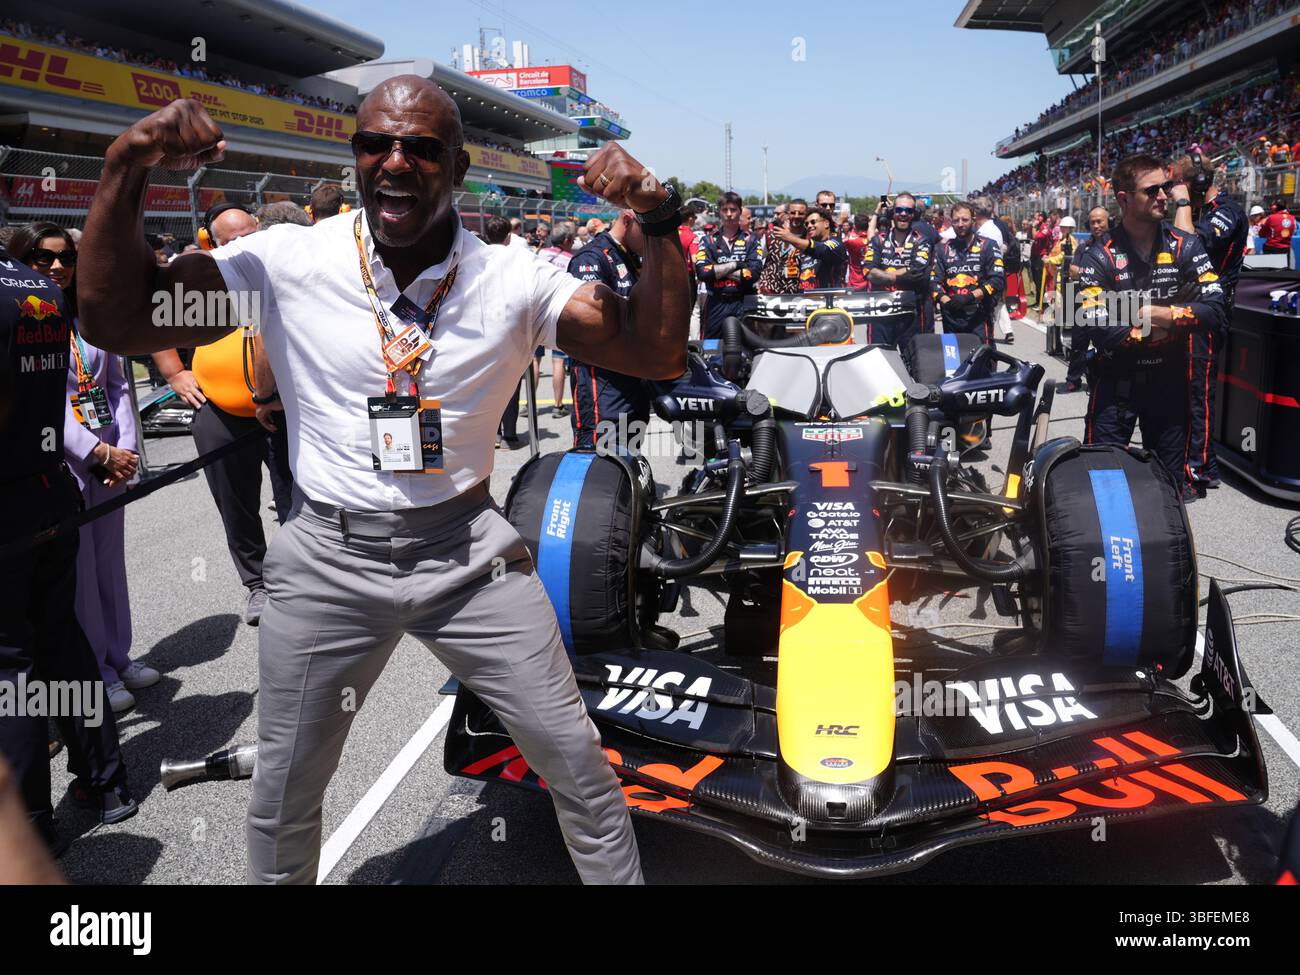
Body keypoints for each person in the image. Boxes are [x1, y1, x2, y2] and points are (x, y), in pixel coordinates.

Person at [78, 82, 690, 884]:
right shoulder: (286, 258)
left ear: (460, 167)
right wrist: (127, 165)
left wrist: (662, 221)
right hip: (326, 554)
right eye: (376, 144)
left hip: (466, 553)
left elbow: (656, 353)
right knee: (283, 794)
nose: (396, 160)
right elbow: (116, 319)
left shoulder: (514, 275)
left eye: (423, 148)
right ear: (356, 155)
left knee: (579, 765)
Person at [0, 238, 138, 854]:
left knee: (12, 665)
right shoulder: (37, 288)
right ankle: (106, 783)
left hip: (13, 497)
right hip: (49, 488)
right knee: (58, 637)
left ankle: (31, 825)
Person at [9, 222, 157, 715]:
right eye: (42, 258)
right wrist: (96, 453)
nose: (56, 267)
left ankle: (121, 654)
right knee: (80, 574)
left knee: (110, 564)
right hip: (66, 463)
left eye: (65, 258)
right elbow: (41, 403)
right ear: (19, 262)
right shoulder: (22, 320)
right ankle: (96, 669)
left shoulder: (89, 316)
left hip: (112, 462)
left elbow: (117, 386)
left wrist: (127, 450)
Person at [1076, 153, 1225, 498]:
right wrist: (1182, 316)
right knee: (1102, 483)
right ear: (1125, 199)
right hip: (1115, 384)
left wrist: (1156, 314)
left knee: (1168, 488)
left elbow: (1216, 311)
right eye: (1152, 189)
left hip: (1169, 383)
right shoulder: (1099, 255)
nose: (1164, 196)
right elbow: (1097, 326)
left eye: (1166, 187)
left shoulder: (1185, 245)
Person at [1170, 149, 1248, 490]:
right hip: (1189, 311)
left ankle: (1199, 467)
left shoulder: (1225, 213)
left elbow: (1189, 245)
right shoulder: (1204, 211)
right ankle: (1191, 458)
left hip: (1209, 313)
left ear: (1197, 184)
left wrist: (1183, 205)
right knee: (1183, 389)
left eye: (1182, 186)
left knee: (1198, 390)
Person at [568, 209, 648, 448]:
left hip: (631, 380)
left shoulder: (629, 256)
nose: (651, 239)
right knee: (598, 459)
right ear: (628, 220)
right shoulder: (591, 258)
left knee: (629, 458)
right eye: (647, 231)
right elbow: (589, 323)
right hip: (601, 384)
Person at [862, 192, 933, 347]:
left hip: (910, 313)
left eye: (908, 211)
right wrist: (902, 273)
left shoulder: (922, 241)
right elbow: (868, 272)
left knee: (914, 365)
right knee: (879, 361)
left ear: (914, 214)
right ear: (892, 212)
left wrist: (885, 275)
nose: (903, 214)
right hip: (881, 312)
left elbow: (916, 272)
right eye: (899, 209)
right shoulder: (878, 240)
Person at [930, 201, 1005, 344]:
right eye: (956, 220)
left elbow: (997, 280)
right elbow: (934, 282)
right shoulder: (942, 249)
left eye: (965, 219)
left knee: (982, 362)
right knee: (953, 364)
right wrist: (946, 301)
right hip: (951, 316)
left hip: (979, 316)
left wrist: (970, 297)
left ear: (973, 219)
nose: (960, 224)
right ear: (951, 222)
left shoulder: (988, 245)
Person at [694, 191, 762, 340]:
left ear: (740, 211)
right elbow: (703, 273)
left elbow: (752, 275)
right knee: (712, 353)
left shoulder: (751, 240)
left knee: (746, 354)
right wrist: (736, 265)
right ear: (719, 212)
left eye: (733, 210)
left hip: (744, 303)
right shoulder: (707, 241)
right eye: (725, 210)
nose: (729, 214)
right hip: (716, 303)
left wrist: (718, 268)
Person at [1063, 206, 1110, 393]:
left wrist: (1090, 273)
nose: (1096, 225)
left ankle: (1101, 379)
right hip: (1083, 300)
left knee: (1106, 344)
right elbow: (1073, 271)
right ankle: (1074, 379)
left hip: (1109, 302)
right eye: (1093, 222)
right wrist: (1097, 273)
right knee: (1078, 343)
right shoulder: (1084, 247)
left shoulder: (1117, 246)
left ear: (1108, 222)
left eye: (1100, 221)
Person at [770, 206, 847, 291]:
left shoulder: (836, 243)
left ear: (826, 224)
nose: (809, 226)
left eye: (813, 222)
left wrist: (790, 237)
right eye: (807, 224)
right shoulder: (804, 247)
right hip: (806, 300)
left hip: (830, 299)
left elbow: (821, 249)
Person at [757, 198, 808, 294]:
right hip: (771, 292)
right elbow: (758, 260)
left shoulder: (810, 237)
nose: (796, 216)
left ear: (806, 215)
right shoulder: (772, 235)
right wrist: (760, 284)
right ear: (788, 214)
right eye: (793, 213)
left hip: (799, 293)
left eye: (801, 213)